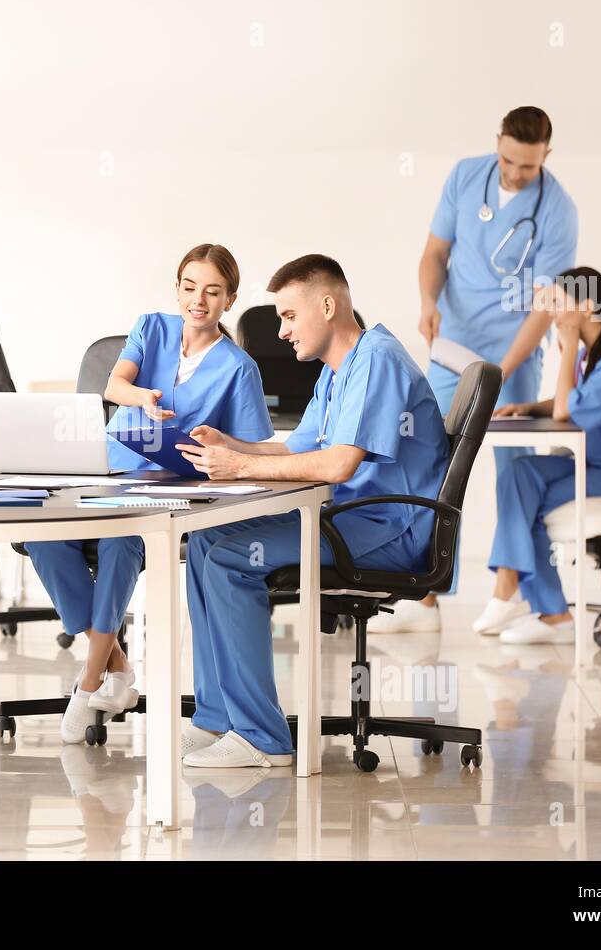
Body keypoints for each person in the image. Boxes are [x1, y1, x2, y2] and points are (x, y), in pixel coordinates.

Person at [174, 254, 448, 768]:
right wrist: (232, 446)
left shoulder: (378, 359)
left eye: (289, 316)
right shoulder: (337, 369)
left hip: (387, 528)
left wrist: (236, 466)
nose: (281, 331)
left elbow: (341, 464)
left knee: (232, 558)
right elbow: (300, 452)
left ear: (328, 305)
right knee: (209, 538)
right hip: (352, 521)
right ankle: (217, 718)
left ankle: (263, 739)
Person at [26, 244, 273, 743]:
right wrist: (143, 399)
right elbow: (116, 385)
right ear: (176, 289)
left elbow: (254, 445)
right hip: (109, 471)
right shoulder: (151, 328)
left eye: (212, 291)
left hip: (169, 489)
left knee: (121, 544)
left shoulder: (238, 368)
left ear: (230, 299)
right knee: (42, 536)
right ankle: (118, 665)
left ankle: (91, 680)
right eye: (188, 287)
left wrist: (221, 442)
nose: (197, 301)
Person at [389, 106, 578, 633]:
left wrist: (502, 367)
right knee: (430, 456)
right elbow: (434, 253)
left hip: (512, 347)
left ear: (546, 156)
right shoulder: (465, 176)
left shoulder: (558, 210)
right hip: (452, 344)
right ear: (497, 142)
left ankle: (508, 588)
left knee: (513, 468)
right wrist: (428, 301)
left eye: (529, 166)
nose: (516, 173)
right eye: (509, 161)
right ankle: (423, 595)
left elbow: (545, 305)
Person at [476, 268, 601, 644]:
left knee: (529, 503)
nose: (550, 312)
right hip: (600, 464)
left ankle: (541, 607)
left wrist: (566, 349)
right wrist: (528, 407)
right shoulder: (594, 353)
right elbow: (570, 402)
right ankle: (526, 596)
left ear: (586, 306)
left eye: (558, 303)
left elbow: (567, 412)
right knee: (520, 475)